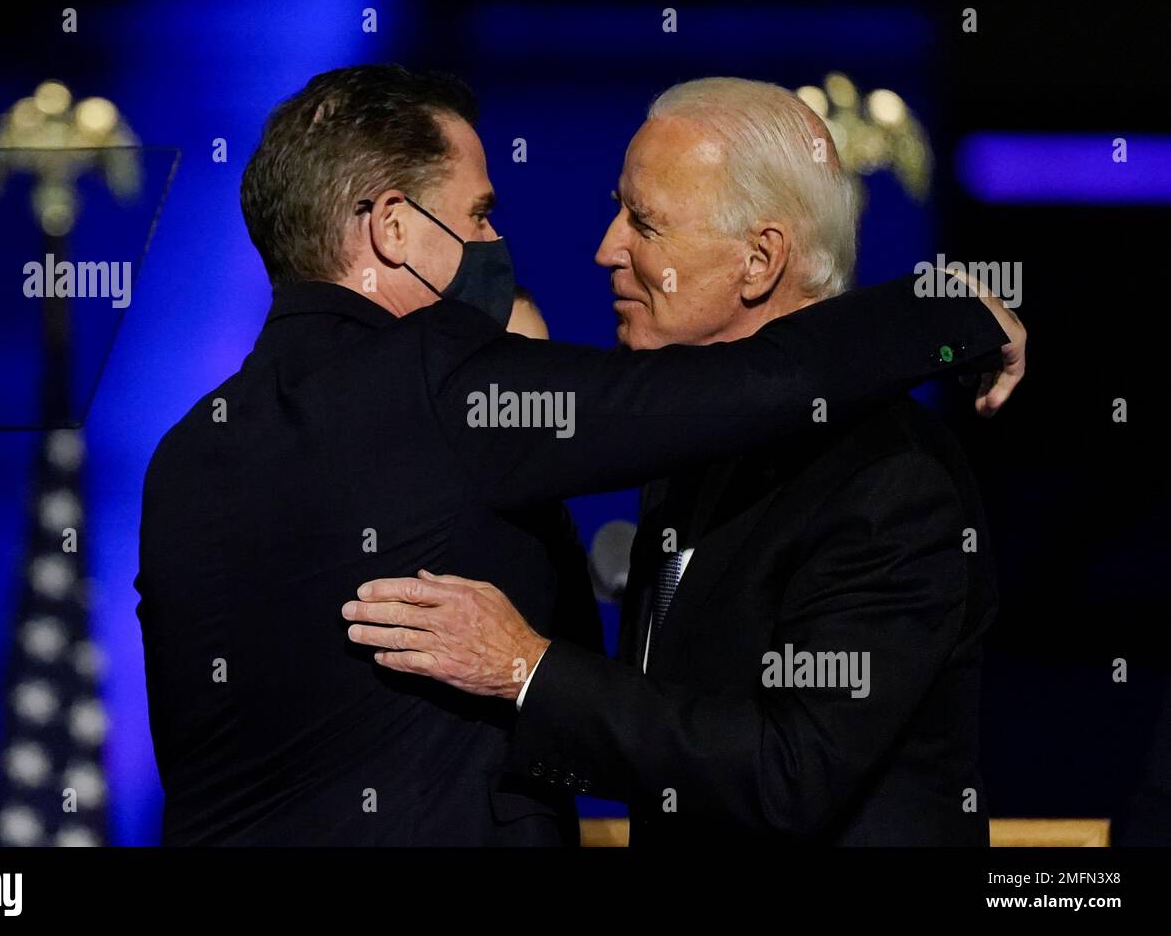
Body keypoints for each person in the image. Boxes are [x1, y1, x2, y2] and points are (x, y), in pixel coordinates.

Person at [136, 64, 1023, 845]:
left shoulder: (183, 455)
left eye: (643, 222)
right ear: (392, 230)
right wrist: (950, 313)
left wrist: (529, 671)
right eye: (479, 216)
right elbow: (755, 384)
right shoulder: (444, 389)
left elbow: (773, 765)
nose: (595, 251)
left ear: (761, 260)